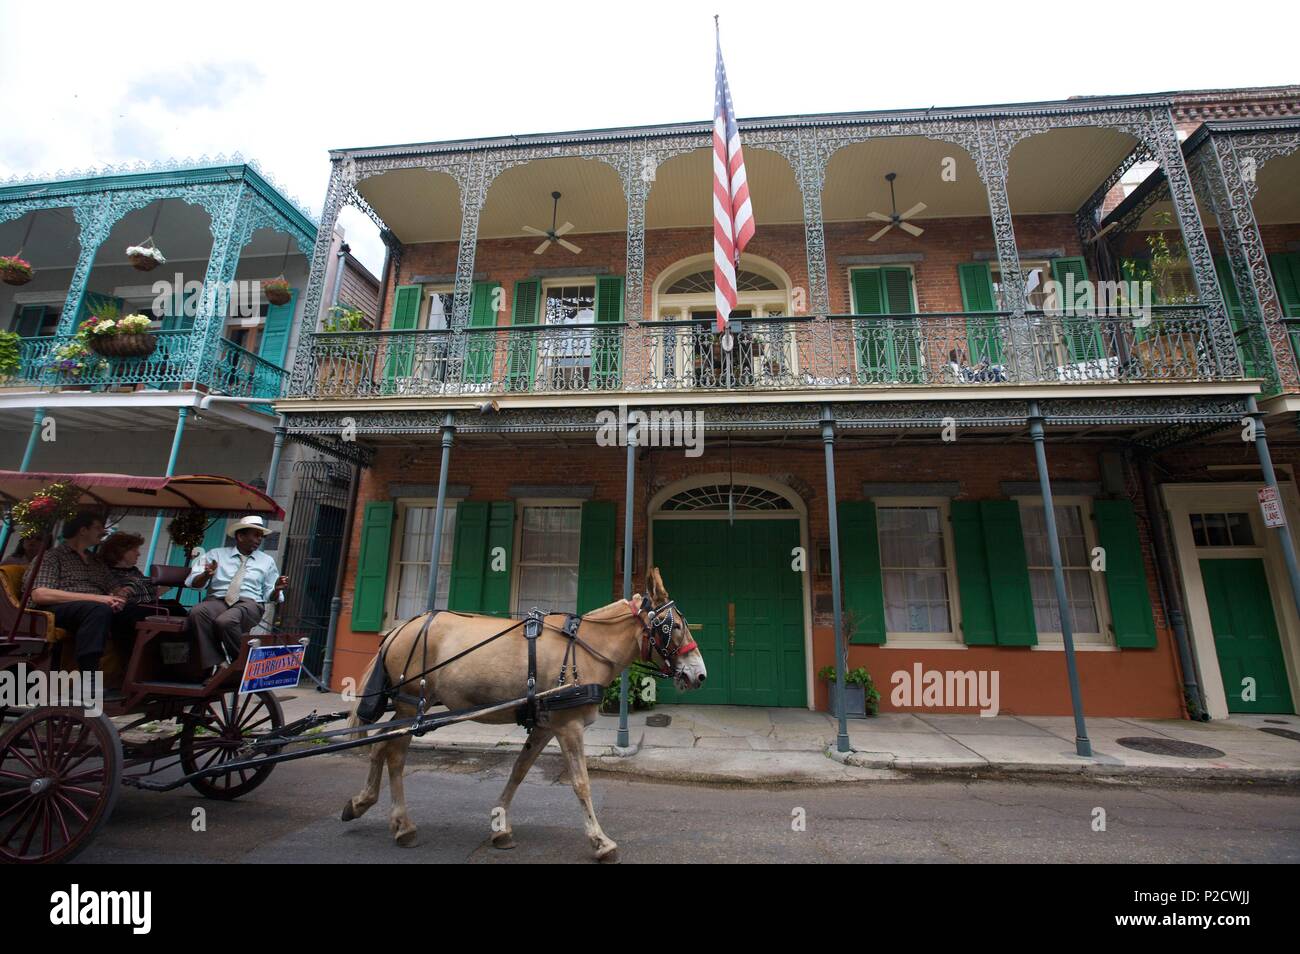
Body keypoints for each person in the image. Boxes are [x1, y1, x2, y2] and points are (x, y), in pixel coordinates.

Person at [25, 512, 125, 675]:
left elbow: (115, 588)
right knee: (98, 609)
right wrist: (99, 599)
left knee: (136, 613)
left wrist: (121, 596)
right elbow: (40, 594)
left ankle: (135, 675)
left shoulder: (95, 560)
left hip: (93, 609)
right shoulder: (52, 556)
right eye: (98, 528)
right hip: (52, 611)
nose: (104, 532)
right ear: (83, 530)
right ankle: (88, 677)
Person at [184, 515, 288, 668]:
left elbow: (270, 596)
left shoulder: (267, 561)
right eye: (256, 535)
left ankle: (246, 666)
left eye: (261, 536)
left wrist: (277, 590)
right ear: (240, 536)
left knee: (226, 621)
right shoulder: (215, 554)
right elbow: (192, 583)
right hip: (218, 601)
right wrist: (205, 575)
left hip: (250, 603)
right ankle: (220, 664)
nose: (260, 539)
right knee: (197, 612)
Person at [98, 531, 187, 618]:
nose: (139, 553)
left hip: (145, 608)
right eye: (134, 550)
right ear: (120, 551)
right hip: (127, 613)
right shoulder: (108, 573)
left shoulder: (133, 570)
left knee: (174, 605)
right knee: (174, 607)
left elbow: (150, 593)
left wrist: (171, 581)